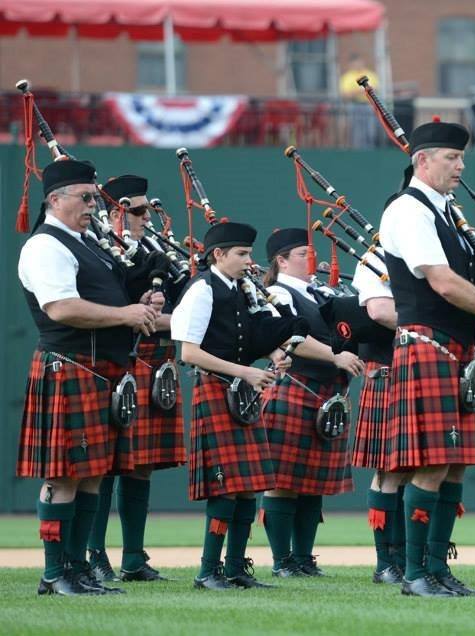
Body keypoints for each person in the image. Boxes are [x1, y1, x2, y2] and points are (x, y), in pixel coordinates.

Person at [378, 120, 475, 597]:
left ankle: (437, 570)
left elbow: (469, 278)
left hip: (456, 349)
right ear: (422, 160)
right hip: (427, 344)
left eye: (462, 157)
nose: (461, 165)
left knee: (454, 464)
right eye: (452, 157)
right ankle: (414, 574)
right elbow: (444, 282)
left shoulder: (445, 211)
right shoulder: (409, 210)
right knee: (432, 463)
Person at [18, 159, 163, 595]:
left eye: (94, 199)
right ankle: (54, 572)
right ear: (54, 199)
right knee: (63, 475)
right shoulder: (45, 246)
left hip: (102, 374)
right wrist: (125, 314)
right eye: (84, 198)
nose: (92, 207)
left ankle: (77, 568)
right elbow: (61, 307)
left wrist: (139, 303)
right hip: (69, 367)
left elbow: (105, 298)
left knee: (93, 473)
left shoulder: (87, 243)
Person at [171, 221, 322, 590]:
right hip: (216, 389)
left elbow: (253, 336)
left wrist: (275, 354)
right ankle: (208, 571)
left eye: (249, 253)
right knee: (224, 489)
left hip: (241, 393)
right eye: (241, 254)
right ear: (218, 255)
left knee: (246, 487)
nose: (248, 260)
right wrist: (246, 372)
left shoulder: (241, 289)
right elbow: (189, 352)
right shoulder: (202, 290)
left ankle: (236, 569)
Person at [87, 175, 186, 583]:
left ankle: (132, 557)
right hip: (124, 360)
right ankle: (94, 554)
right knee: (105, 465)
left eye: (148, 210)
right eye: (139, 210)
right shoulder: (102, 249)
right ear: (117, 213)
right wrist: (176, 321)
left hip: (158, 361)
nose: (147, 217)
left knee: (140, 465)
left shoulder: (156, 251)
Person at [259, 229, 365, 578]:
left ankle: (304, 559)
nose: (312, 259)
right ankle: (282, 561)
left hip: (328, 395)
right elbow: (290, 337)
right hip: (296, 389)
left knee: (313, 481)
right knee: (283, 481)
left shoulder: (323, 292)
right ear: (281, 260)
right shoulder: (277, 293)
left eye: (312, 252)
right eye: (303, 254)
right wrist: (336, 356)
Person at [350, 247, 411, 585]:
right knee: (388, 469)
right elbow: (379, 311)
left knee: (416, 469)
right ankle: (386, 563)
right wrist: (431, 323)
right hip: (388, 370)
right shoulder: (375, 259)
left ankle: (406, 558)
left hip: (420, 367)